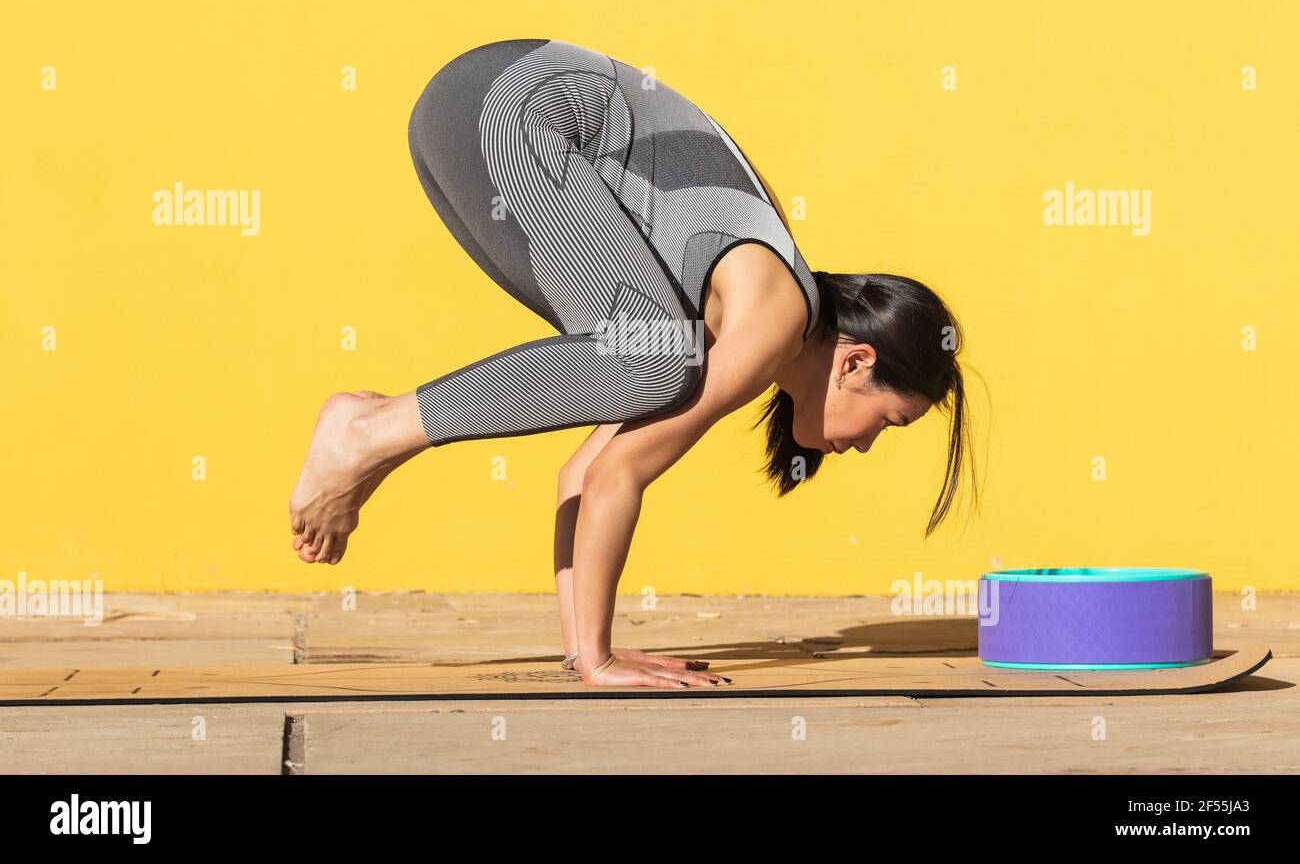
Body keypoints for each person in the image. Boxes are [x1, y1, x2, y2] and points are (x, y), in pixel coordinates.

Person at [288, 39, 977, 689]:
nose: (862, 444)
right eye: (888, 421)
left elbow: (584, 476)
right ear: (856, 362)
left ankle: (376, 432)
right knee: (651, 359)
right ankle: (368, 429)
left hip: (468, 108)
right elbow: (624, 473)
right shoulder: (773, 318)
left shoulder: (728, 321)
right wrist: (600, 660)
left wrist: (587, 649)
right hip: (510, 106)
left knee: (647, 355)